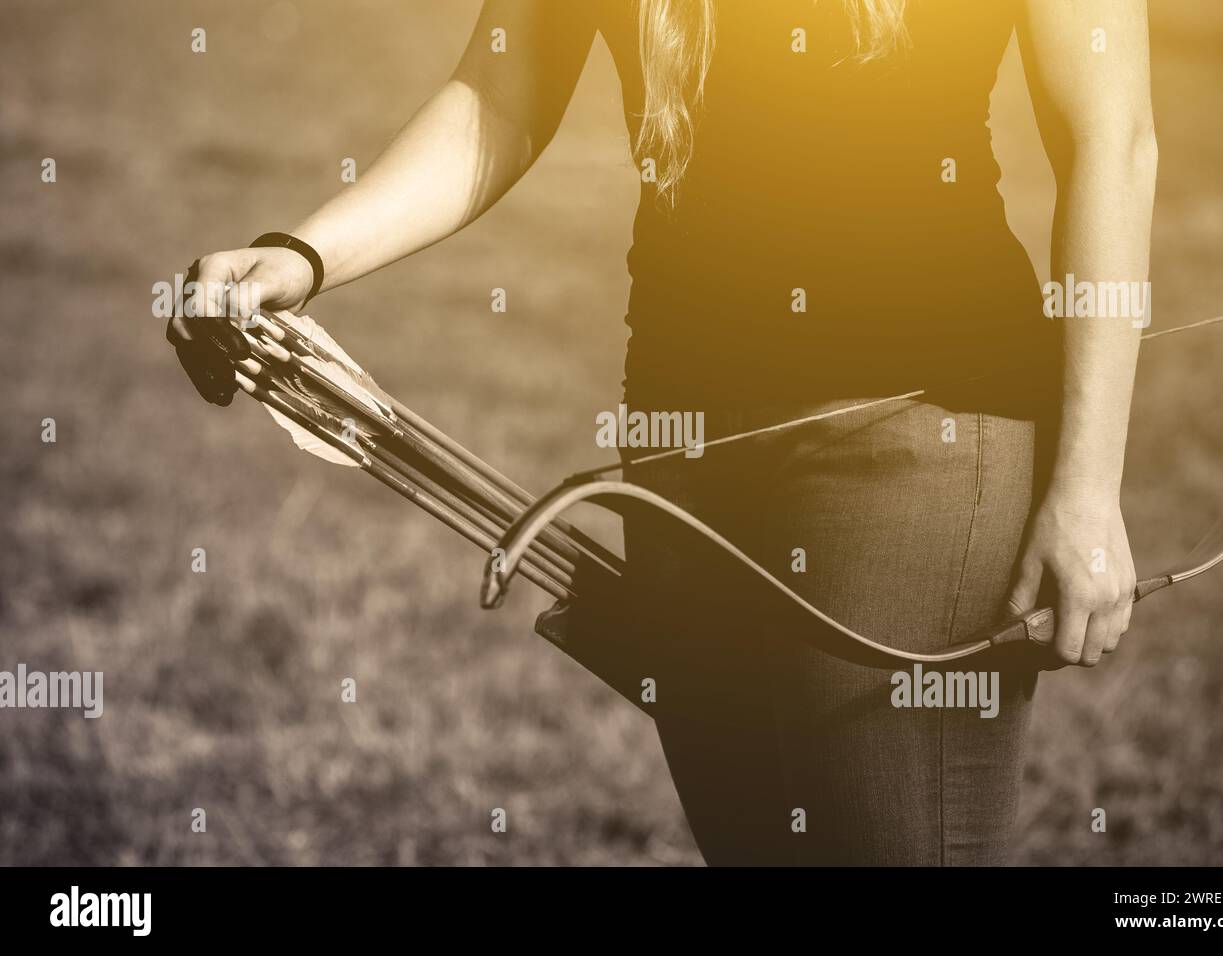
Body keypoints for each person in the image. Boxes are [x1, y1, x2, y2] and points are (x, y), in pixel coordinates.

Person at [168, 0, 1157, 865]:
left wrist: (1088, 486)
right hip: (682, 447)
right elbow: (501, 92)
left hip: (921, 442)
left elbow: (1109, 137)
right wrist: (302, 255)